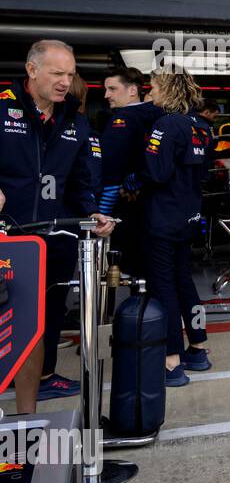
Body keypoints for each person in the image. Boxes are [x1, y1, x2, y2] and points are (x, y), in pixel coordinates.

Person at [0, 40, 114, 414]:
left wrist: (93, 213)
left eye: (70, 74)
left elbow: (81, 183)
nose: (66, 81)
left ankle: (25, 418)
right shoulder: (2, 106)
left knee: (32, 332)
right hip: (5, 238)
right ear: (32, 71)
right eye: (57, 73)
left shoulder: (74, 121)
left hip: (45, 245)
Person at [137, 68, 213, 386]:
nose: (148, 91)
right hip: (189, 216)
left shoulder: (165, 124)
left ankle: (171, 362)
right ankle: (197, 348)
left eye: (152, 86)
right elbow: (204, 173)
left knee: (163, 287)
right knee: (185, 282)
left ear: (166, 89)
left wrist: (132, 177)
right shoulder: (201, 126)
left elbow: (155, 172)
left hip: (164, 218)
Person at [99, 67, 161, 276]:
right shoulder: (160, 115)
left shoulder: (123, 118)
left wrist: (102, 208)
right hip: (157, 202)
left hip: (124, 202)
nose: (107, 95)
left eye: (112, 89)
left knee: (118, 269)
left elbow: (109, 164)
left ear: (132, 90)